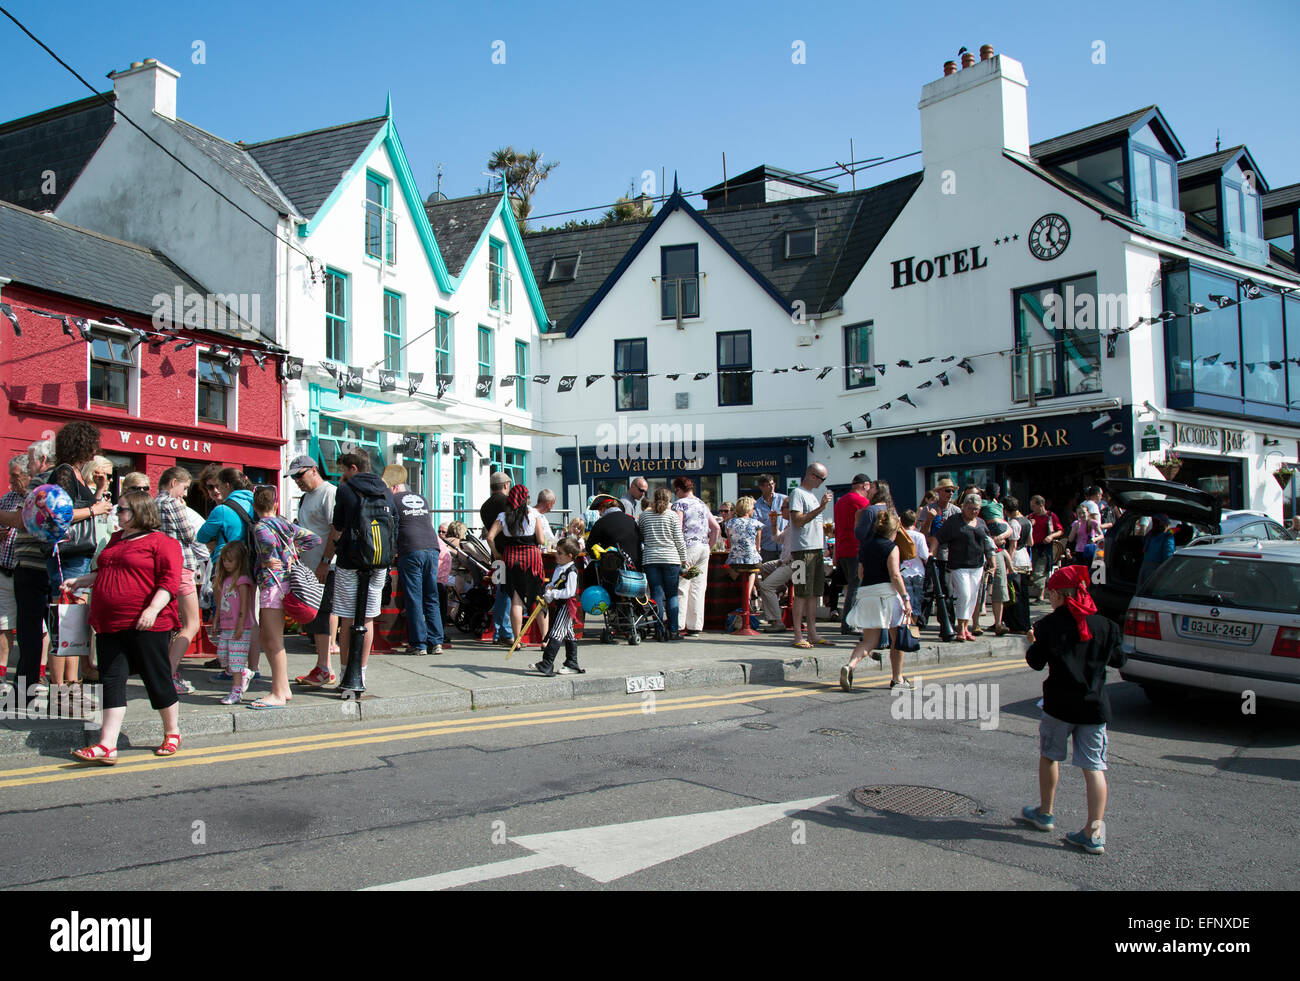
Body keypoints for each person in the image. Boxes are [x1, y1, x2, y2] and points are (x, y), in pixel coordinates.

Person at [64, 489, 183, 764]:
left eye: (122, 509)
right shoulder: (117, 539)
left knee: (156, 678)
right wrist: (80, 581)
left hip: (147, 623)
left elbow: (169, 581)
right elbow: (104, 570)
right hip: (109, 624)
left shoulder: (162, 542)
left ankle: (172, 731)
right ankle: (107, 745)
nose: (117, 514)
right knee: (111, 681)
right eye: (118, 509)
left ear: (140, 512)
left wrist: (153, 609)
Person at [0, 424, 112, 705]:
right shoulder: (57, 476)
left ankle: (32, 693)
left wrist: (98, 494)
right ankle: (57, 692)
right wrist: (93, 508)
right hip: (49, 561)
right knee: (59, 630)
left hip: (39, 561)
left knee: (45, 631)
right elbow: (55, 515)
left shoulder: (60, 478)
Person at [1022, 564, 1125, 855]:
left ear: (1060, 595)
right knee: (1094, 768)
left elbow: (1036, 662)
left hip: (1059, 706)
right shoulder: (1106, 626)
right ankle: (1094, 833)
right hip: (1094, 708)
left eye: (1052, 594)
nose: (1050, 599)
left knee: (1050, 756)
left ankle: (1045, 813)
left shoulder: (1048, 626)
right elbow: (1119, 661)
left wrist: (1032, 642)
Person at [315, 450, 393, 693]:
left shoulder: (346, 491)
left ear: (353, 468)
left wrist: (327, 558)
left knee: (348, 618)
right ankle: (363, 674)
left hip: (350, 560)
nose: (342, 475)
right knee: (367, 618)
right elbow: (396, 527)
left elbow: (337, 527)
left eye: (343, 470)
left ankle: (347, 675)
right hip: (380, 560)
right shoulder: (386, 490)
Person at [250, 485, 319, 707]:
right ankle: (283, 688)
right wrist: (294, 551)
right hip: (286, 582)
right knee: (269, 638)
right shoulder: (285, 523)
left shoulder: (260, 527)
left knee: (272, 640)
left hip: (272, 583)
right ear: (276, 504)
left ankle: (278, 692)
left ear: (255, 506)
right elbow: (314, 539)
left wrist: (267, 559)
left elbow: (268, 547)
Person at [840, 509, 913, 691]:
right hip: (887, 594)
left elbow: (861, 573)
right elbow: (895, 575)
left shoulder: (865, 546)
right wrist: (905, 598)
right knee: (897, 638)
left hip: (866, 593)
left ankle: (850, 666)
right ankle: (897, 679)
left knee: (869, 640)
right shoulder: (891, 547)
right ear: (894, 532)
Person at [383, 466, 445, 656]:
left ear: (393, 487)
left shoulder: (392, 500)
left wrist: (391, 551)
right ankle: (436, 642)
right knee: (431, 596)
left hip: (411, 549)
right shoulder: (422, 499)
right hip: (432, 548)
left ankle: (419, 643)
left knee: (414, 598)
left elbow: (392, 528)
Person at [289, 455, 339, 686]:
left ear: (314, 470)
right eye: (294, 477)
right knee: (316, 617)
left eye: (300, 475)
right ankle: (323, 667)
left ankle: (325, 668)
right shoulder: (306, 497)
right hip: (310, 566)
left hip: (325, 566)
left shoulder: (329, 492)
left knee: (322, 615)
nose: (297, 480)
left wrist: (325, 561)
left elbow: (334, 530)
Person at [154, 467, 202, 695]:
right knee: (192, 623)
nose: (184, 494)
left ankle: (164, 671)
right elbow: (190, 535)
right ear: (173, 482)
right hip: (181, 565)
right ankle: (169, 674)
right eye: (184, 488)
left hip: (161, 567)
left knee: (168, 623)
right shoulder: (173, 504)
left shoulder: (153, 502)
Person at [486, 483, 549, 647]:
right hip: (532, 558)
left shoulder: (503, 516)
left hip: (511, 557)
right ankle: (544, 640)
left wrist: (497, 554)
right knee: (538, 598)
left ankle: (517, 640)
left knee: (516, 600)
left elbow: (490, 538)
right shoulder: (533, 514)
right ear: (525, 498)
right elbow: (541, 540)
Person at [937, 493, 995, 641]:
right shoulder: (954, 522)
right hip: (958, 565)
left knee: (973, 597)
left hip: (977, 565)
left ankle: (965, 628)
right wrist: (931, 553)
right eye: (971, 509)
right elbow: (939, 538)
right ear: (963, 507)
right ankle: (960, 628)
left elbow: (988, 543)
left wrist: (992, 561)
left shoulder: (981, 523)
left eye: (976, 509)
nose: (974, 512)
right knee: (965, 594)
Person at [788, 463, 833, 650]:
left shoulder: (812, 496)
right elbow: (797, 521)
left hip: (815, 549)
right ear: (813, 476)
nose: (822, 482)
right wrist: (820, 509)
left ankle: (812, 633)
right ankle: (798, 634)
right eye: (822, 478)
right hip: (802, 551)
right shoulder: (797, 494)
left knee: (814, 593)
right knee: (801, 593)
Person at [672, 478, 719, 636]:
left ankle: (678, 625)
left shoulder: (679, 504)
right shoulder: (702, 504)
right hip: (703, 548)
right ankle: (695, 626)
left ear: (679, 489)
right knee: (698, 588)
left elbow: (677, 528)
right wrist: (710, 546)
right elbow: (716, 528)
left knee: (682, 586)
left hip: (687, 548)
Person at [210, 541, 256, 704]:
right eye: (224, 560)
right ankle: (244, 673)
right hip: (227, 626)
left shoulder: (242, 580)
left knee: (235, 661)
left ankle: (236, 691)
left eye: (230, 561)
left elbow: (244, 604)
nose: (226, 564)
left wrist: (240, 625)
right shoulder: (225, 580)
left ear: (239, 561)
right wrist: (216, 620)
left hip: (240, 627)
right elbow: (222, 602)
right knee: (224, 657)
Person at [638, 487, 687, 641]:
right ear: (668, 499)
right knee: (672, 595)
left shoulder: (645, 516)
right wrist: (684, 559)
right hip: (671, 559)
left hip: (651, 559)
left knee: (656, 595)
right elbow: (679, 540)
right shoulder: (672, 516)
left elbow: (640, 536)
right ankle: (673, 630)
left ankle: (658, 629)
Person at [534, 536, 585, 676]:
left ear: (569, 556)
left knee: (556, 633)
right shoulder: (560, 567)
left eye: (559, 553)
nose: (556, 554)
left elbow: (570, 592)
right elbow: (553, 583)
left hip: (567, 605)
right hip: (560, 603)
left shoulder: (572, 571)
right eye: (557, 551)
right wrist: (549, 589)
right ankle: (572, 663)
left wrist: (554, 593)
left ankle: (547, 664)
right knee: (569, 634)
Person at [0, 455, 30, 687]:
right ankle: (1, 673)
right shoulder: (7, 498)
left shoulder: (37, 497)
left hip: (28, 571)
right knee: (3, 624)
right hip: (5, 568)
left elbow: (21, 522)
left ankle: (34, 673)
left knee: (35, 627)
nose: (11, 481)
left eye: (16, 476)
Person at [918, 477, 960, 641]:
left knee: (947, 592)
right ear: (939, 492)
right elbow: (922, 534)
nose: (950, 494)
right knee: (928, 590)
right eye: (947, 490)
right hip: (931, 554)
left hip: (948, 555)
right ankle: (921, 623)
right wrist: (928, 519)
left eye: (952, 491)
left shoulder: (956, 511)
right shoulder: (928, 509)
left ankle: (948, 624)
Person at [834, 474, 871, 636]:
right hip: (856, 548)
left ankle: (849, 623)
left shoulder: (840, 501)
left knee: (851, 588)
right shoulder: (862, 502)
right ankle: (849, 624)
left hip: (843, 549)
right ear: (865, 486)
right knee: (856, 588)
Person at [480, 471, 513, 644]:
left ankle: (498, 630)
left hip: (496, 554)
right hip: (511, 553)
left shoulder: (484, 507)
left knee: (501, 592)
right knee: (508, 593)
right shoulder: (508, 503)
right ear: (506, 485)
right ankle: (506, 631)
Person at [724, 495, 763, 633]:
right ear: (748, 509)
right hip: (751, 560)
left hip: (734, 560)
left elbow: (730, 542)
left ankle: (741, 588)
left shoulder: (729, 523)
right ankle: (748, 595)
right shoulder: (756, 523)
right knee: (753, 569)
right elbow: (758, 547)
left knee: (732, 567)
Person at [758, 501, 793, 632]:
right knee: (762, 567)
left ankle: (777, 621)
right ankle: (779, 588)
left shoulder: (796, 525)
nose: (780, 510)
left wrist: (783, 561)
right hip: (784, 561)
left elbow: (795, 549)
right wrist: (773, 524)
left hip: (791, 563)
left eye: (783, 508)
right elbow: (777, 538)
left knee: (766, 586)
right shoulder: (790, 525)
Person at [1003, 497, 1034, 633]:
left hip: (1015, 561)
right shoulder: (1027, 521)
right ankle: (1025, 623)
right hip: (1025, 559)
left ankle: (1017, 624)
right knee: (1023, 594)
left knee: (1015, 594)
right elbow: (1030, 542)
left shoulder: (1014, 523)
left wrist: (1008, 564)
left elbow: (1013, 546)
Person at [898, 510, 929, 628]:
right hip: (918, 571)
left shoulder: (899, 535)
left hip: (902, 570)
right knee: (917, 601)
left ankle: (906, 625)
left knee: (905, 600)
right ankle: (914, 627)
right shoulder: (919, 536)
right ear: (915, 521)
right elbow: (924, 555)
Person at [753, 474, 787, 565]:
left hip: (785, 546)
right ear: (761, 487)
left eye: (772, 484)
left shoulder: (784, 500)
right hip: (767, 548)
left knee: (785, 575)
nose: (771, 487)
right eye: (768, 485)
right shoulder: (757, 505)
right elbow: (756, 527)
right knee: (767, 575)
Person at [1136, 513, 1175, 591]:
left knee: (1142, 591)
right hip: (1157, 569)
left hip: (1145, 567)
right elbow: (1168, 556)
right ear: (1165, 525)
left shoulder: (1150, 535)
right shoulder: (1167, 537)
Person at [1067, 504, 1102, 568]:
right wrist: (1075, 529)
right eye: (1079, 513)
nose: (1082, 515)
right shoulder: (1076, 523)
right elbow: (1070, 539)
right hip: (1079, 550)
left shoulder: (1093, 522)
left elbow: (1102, 535)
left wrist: (1095, 539)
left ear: (1088, 513)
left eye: (1084, 512)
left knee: (1091, 569)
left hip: (1090, 549)